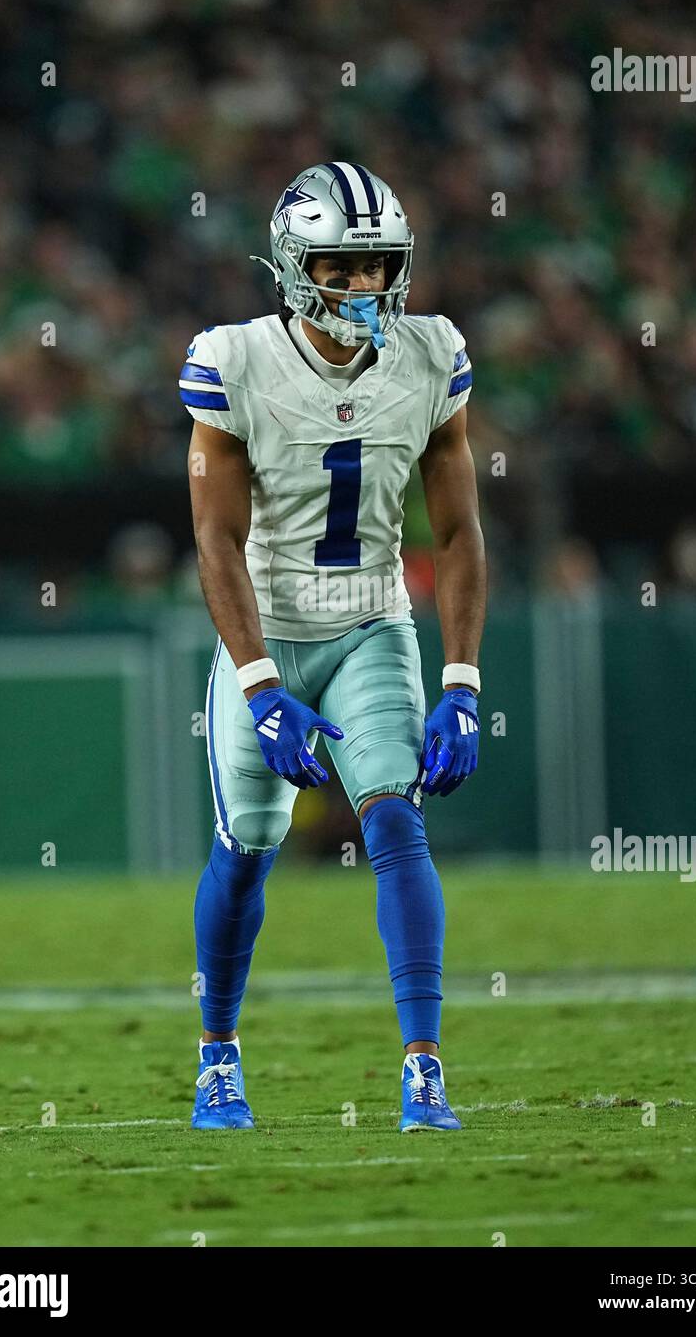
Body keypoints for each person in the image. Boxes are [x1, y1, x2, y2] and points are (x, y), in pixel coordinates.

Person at [181, 162, 486, 1132]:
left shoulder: (430, 355)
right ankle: (218, 1054)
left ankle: (423, 1066)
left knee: (395, 821)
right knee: (246, 849)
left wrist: (463, 680)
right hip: (263, 628)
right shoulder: (232, 361)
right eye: (340, 265)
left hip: (369, 623)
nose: (363, 284)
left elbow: (459, 531)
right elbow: (215, 540)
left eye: (377, 264)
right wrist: (260, 683)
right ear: (292, 265)